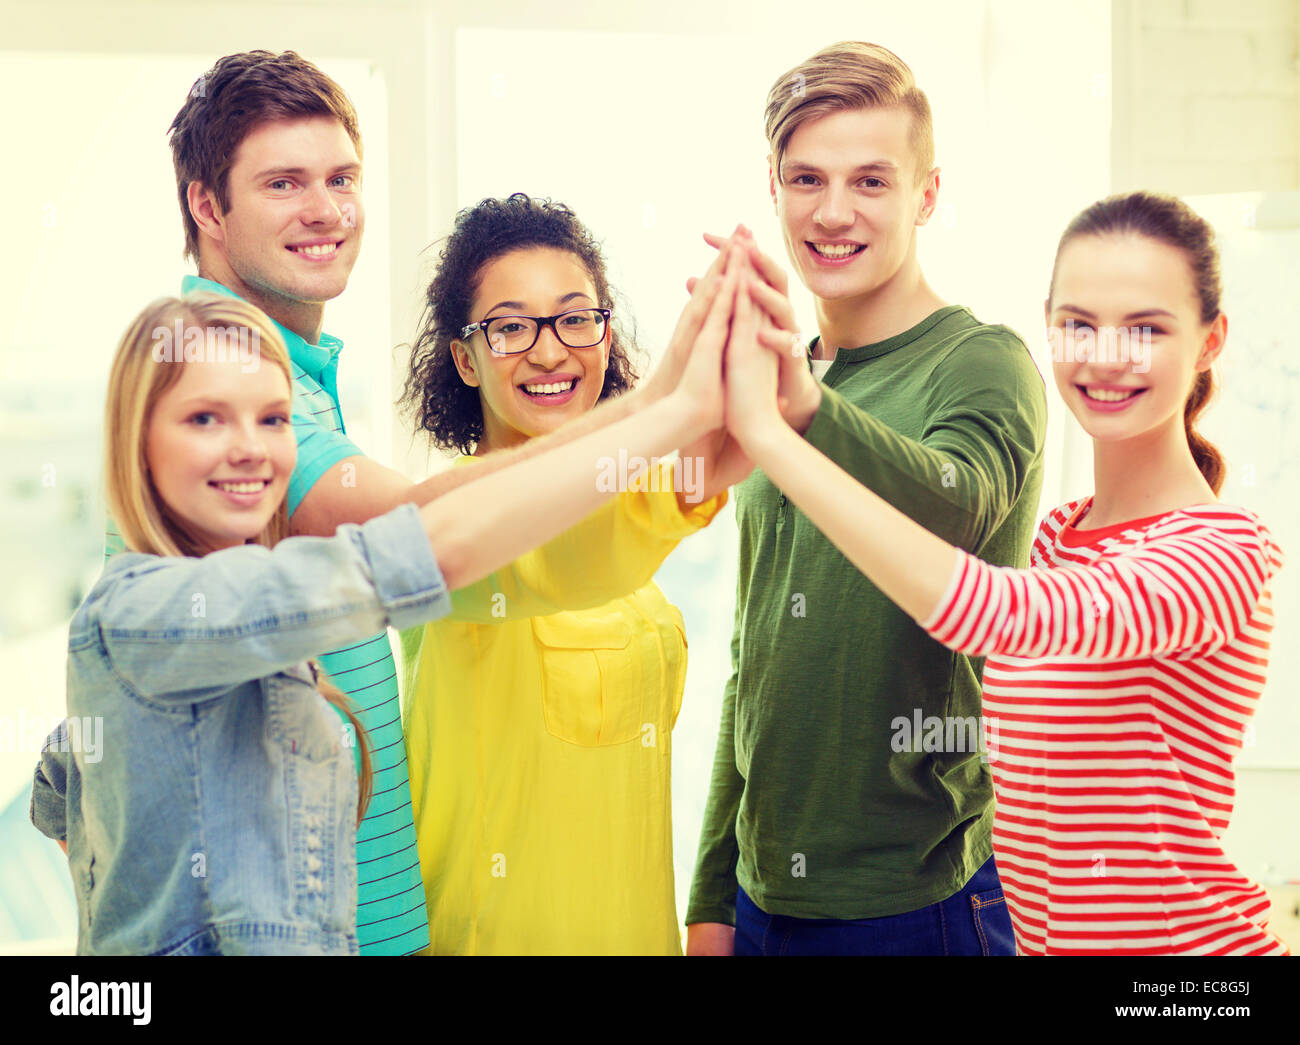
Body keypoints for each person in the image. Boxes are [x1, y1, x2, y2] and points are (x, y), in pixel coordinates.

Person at [32, 50, 726, 954]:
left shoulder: (295, 397)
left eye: (341, 178)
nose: (324, 209)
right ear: (207, 204)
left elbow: (71, 766)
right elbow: (420, 542)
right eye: (284, 182)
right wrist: (662, 411)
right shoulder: (220, 375)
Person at [721, 190, 1289, 955]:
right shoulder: (1060, 538)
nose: (1106, 355)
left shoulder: (1222, 551)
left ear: (1211, 339)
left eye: (1146, 328)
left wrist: (779, 425)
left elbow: (988, 609)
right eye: (1079, 325)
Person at [687, 41, 1047, 956]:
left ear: (926, 194)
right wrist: (713, 894)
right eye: (806, 178)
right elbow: (755, 652)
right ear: (773, 189)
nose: (834, 211)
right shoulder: (783, 384)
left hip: (917, 900)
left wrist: (797, 413)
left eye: (872, 181)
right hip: (765, 902)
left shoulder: (981, 360)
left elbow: (950, 510)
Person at [397, 195, 729, 954]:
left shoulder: (619, 542)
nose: (551, 353)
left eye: (576, 318)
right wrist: (670, 415)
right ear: (463, 356)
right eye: (511, 327)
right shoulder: (456, 532)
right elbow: (552, 542)